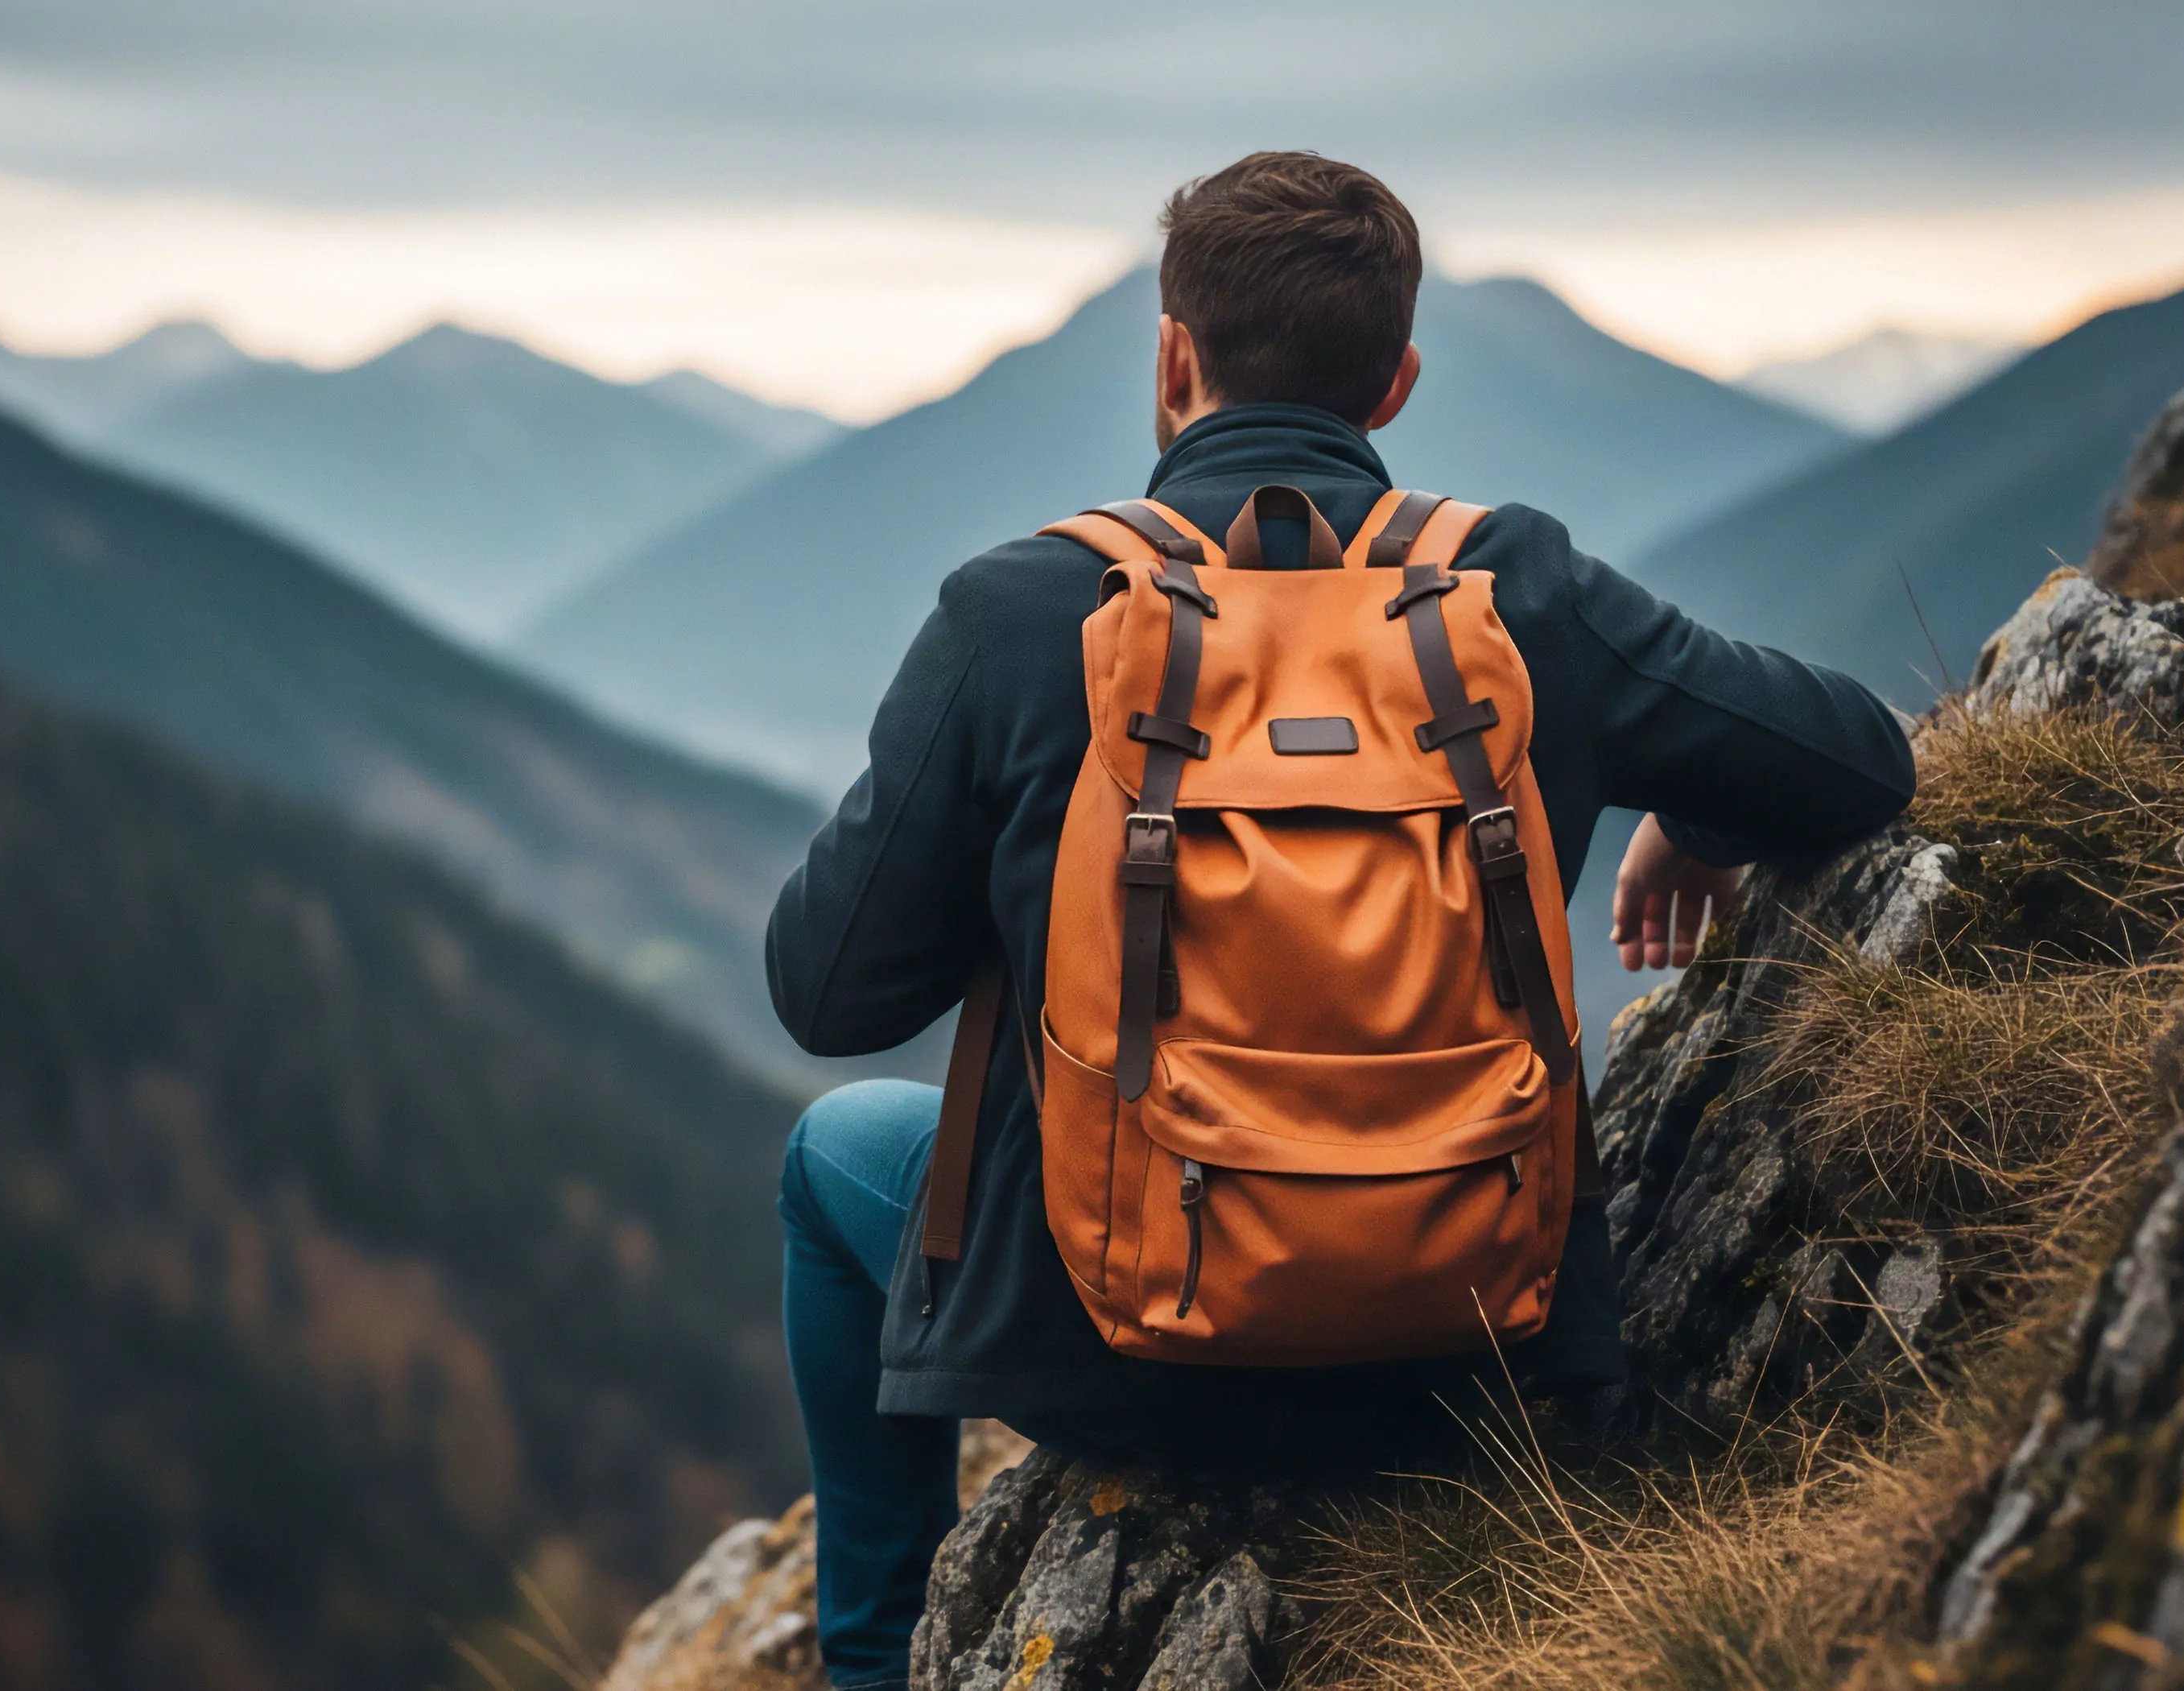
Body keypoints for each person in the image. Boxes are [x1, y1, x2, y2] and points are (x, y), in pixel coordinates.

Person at [763, 151, 1915, 1690]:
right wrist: (1691, 823)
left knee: (828, 1153)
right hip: (1470, 1348)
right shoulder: (1516, 594)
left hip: (1116, 1355)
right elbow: (1853, 759)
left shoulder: (1022, 615)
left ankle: (867, 1668)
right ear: (1396, 381)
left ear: (1172, 361)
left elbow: (826, 995)